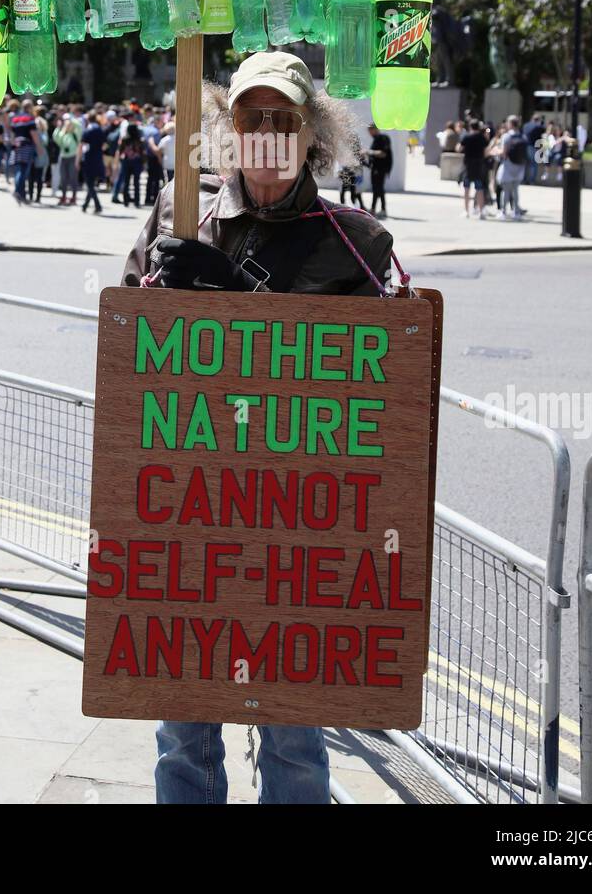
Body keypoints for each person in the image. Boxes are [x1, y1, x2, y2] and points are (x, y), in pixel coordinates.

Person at [122, 51, 394, 806]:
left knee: (294, 734)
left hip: (299, 526)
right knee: (183, 728)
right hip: (187, 515)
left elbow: (379, 395)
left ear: (312, 134)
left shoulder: (357, 244)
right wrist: (154, 296)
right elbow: (124, 362)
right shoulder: (180, 214)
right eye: (252, 117)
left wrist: (244, 303)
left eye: (285, 118)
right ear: (229, 128)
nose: (268, 132)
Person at [495, 115, 527, 220]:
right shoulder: (523, 136)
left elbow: (503, 153)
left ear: (510, 124)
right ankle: (516, 212)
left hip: (508, 165)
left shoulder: (507, 136)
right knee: (516, 190)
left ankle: (503, 211)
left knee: (506, 190)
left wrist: (496, 151)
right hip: (519, 166)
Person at [11, 100, 40, 205]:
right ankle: (17, 191)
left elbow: (12, 133)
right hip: (27, 146)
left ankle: (21, 195)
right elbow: (33, 134)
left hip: (17, 146)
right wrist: (39, 147)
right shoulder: (30, 118)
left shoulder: (16, 118)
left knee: (19, 170)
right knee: (23, 172)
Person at [458, 118, 488, 219]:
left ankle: (466, 211)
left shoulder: (466, 136)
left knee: (466, 189)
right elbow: (485, 152)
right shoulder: (482, 137)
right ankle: (481, 211)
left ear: (470, 126)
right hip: (478, 165)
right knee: (479, 189)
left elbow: (459, 149)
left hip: (468, 165)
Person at [78, 111, 105, 213]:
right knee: (91, 183)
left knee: (89, 183)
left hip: (88, 159)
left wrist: (78, 160)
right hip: (98, 159)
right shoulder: (100, 130)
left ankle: (98, 205)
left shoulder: (87, 130)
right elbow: (103, 145)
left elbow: (81, 146)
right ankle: (85, 205)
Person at [364, 123, 392, 217]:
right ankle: (377, 209)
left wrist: (368, 152)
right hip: (375, 168)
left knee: (378, 188)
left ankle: (379, 209)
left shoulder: (383, 138)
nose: (369, 133)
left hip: (380, 169)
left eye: (370, 130)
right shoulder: (376, 140)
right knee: (377, 189)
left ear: (375, 129)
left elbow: (383, 154)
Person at [54, 113, 80, 204]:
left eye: (69, 124)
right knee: (63, 178)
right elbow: (55, 137)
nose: (68, 125)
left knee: (73, 178)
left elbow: (79, 125)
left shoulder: (76, 134)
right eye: (66, 124)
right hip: (63, 157)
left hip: (73, 157)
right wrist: (58, 127)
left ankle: (73, 197)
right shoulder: (63, 134)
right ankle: (64, 196)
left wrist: (70, 119)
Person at [522, 113, 545, 185]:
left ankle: (524, 179)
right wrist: (542, 122)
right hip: (533, 146)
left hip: (525, 146)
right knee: (533, 164)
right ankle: (532, 181)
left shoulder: (525, 125)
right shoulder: (538, 126)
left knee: (526, 164)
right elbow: (544, 128)